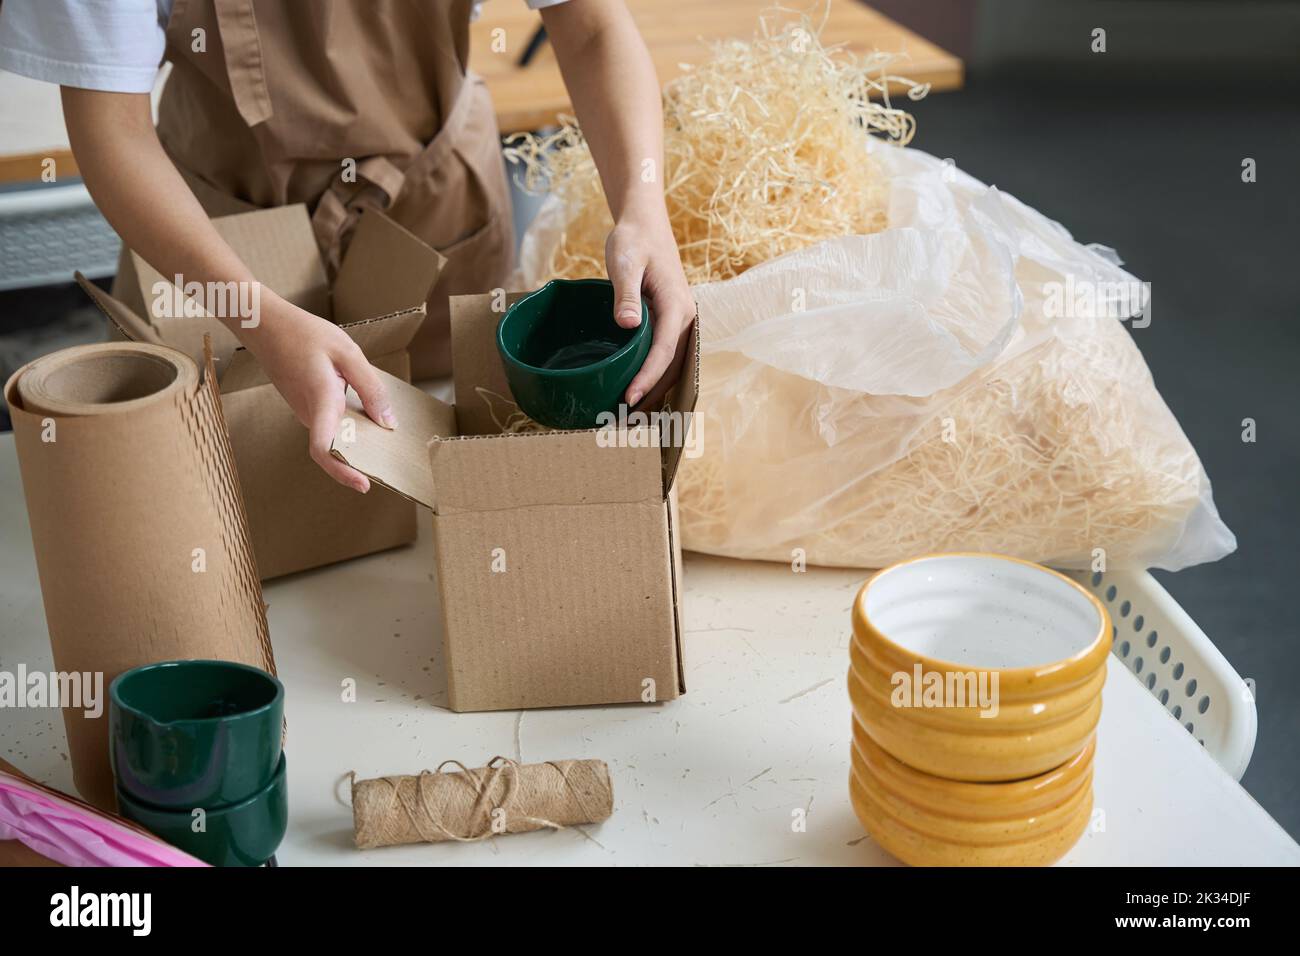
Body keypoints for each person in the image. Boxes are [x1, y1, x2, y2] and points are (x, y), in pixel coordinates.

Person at [0, 0, 694, 492]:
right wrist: (258, 319)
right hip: (213, 230)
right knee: (227, 494)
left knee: (444, 469)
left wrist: (642, 207)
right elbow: (109, 127)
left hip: (433, 206)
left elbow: (591, 23)